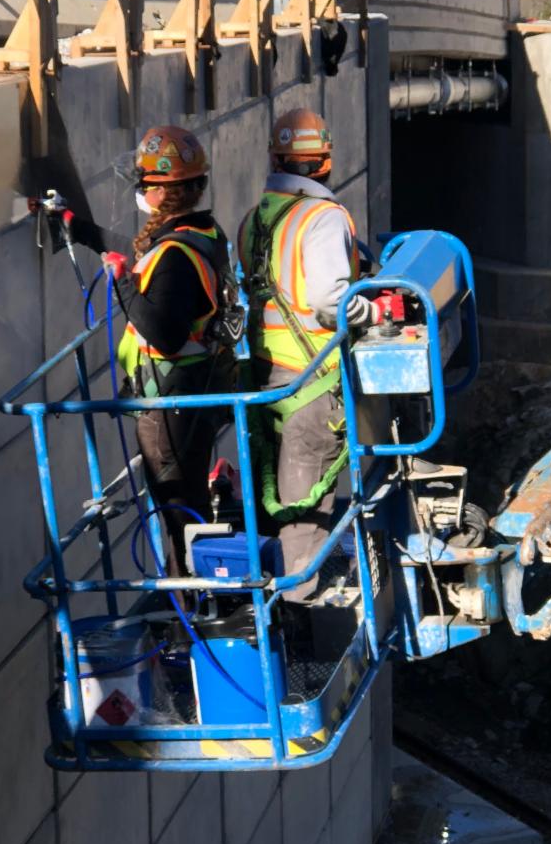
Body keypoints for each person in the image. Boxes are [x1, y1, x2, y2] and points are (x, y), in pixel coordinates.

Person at [54, 128, 235, 577]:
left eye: (145, 184)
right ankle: (199, 595)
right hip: (196, 387)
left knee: (177, 510)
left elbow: (163, 331)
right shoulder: (201, 231)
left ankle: (190, 608)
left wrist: (121, 281)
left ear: (159, 192)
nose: (140, 192)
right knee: (187, 500)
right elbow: (143, 257)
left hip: (172, 399)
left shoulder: (174, 253)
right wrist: (81, 230)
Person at [238, 108, 384, 601]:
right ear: (324, 163)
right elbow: (328, 302)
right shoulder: (322, 219)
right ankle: (300, 593)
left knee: (272, 478)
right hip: (309, 375)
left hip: (263, 373)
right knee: (305, 478)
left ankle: (271, 582)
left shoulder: (254, 219)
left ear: (276, 160)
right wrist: (371, 312)